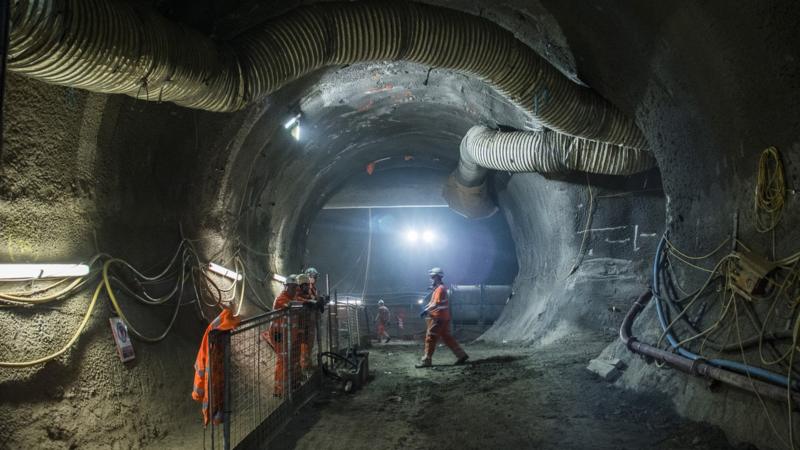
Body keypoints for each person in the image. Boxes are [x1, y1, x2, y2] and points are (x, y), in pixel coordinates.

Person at [416, 267, 468, 368]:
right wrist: (426, 308)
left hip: (438, 318)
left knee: (430, 337)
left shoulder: (440, 289)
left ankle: (426, 360)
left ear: (436, 277)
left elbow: (435, 304)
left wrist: (425, 311)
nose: (430, 279)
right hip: (443, 317)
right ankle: (461, 355)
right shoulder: (439, 289)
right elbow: (432, 303)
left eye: (431, 277)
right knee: (447, 337)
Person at [264, 275, 301, 397]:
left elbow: (297, 302)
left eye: (295, 287)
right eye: (291, 287)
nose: (293, 289)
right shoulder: (281, 299)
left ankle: (289, 385)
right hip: (278, 334)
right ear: (286, 287)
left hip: (287, 335)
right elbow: (291, 305)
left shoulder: (292, 297)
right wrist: (308, 303)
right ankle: (279, 390)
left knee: (289, 359)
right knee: (283, 360)